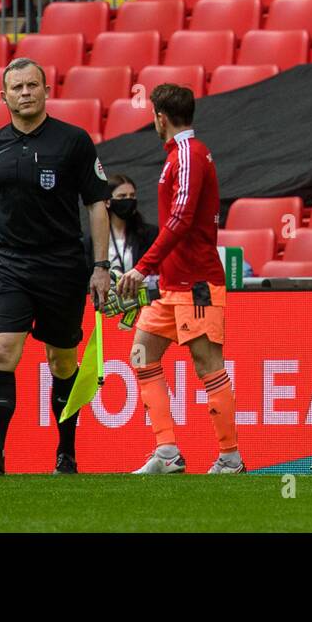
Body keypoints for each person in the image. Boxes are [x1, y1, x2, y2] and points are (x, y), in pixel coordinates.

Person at [0, 58, 112, 475]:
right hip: (10, 264)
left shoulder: (73, 141)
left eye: (33, 85)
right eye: (17, 87)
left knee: (62, 360)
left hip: (62, 264)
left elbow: (96, 205)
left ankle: (66, 452)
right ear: (4, 96)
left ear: (47, 90)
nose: (25, 92)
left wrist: (100, 265)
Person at [117, 84, 245, 475]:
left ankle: (230, 458)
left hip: (196, 284)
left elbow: (180, 219)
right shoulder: (179, 156)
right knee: (142, 354)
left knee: (207, 364)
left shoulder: (189, 153)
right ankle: (167, 454)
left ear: (160, 117)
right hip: (174, 285)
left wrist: (143, 267)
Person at [85, 172, 158, 273]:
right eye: (122, 196)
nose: (128, 199)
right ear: (107, 202)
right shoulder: (92, 238)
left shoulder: (149, 234)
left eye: (132, 195)